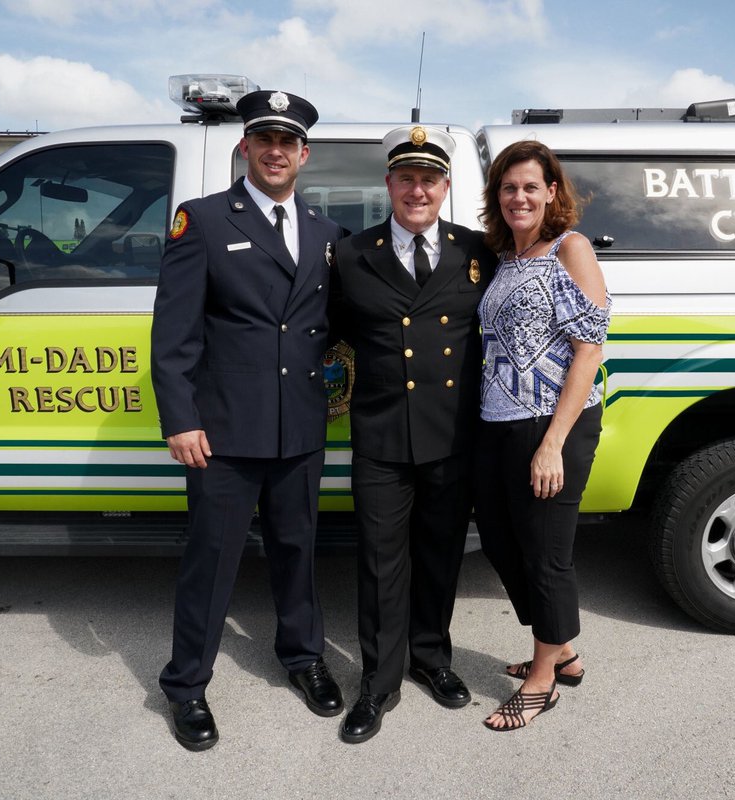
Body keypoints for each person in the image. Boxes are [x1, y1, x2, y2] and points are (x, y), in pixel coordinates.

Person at [150, 89, 344, 751]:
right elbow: (174, 333)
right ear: (246, 146)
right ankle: (186, 685)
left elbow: (338, 328)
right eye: (265, 138)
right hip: (224, 430)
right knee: (212, 562)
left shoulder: (325, 234)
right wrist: (180, 418)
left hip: (299, 428)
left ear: (304, 154)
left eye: (288, 142)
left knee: (298, 552)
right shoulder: (202, 221)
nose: (276, 151)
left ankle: (302, 657)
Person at [330, 125, 496, 743]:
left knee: (440, 555)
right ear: (389, 184)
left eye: (429, 179)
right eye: (407, 178)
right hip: (380, 436)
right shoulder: (351, 254)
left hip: (451, 435)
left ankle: (432, 658)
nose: (417, 190)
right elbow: (331, 331)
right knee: (378, 563)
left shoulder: (476, 250)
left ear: (445, 187)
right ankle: (378, 682)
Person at [473, 139, 610, 731]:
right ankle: (565, 652)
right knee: (504, 546)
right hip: (499, 423)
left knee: (546, 554)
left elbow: (588, 351)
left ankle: (542, 678)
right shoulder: (507, 257)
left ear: (552, 191)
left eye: (530, 186)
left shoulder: (569, 249)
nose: (519, 196)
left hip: (552, 427)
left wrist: (553, 442)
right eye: (508, 187)